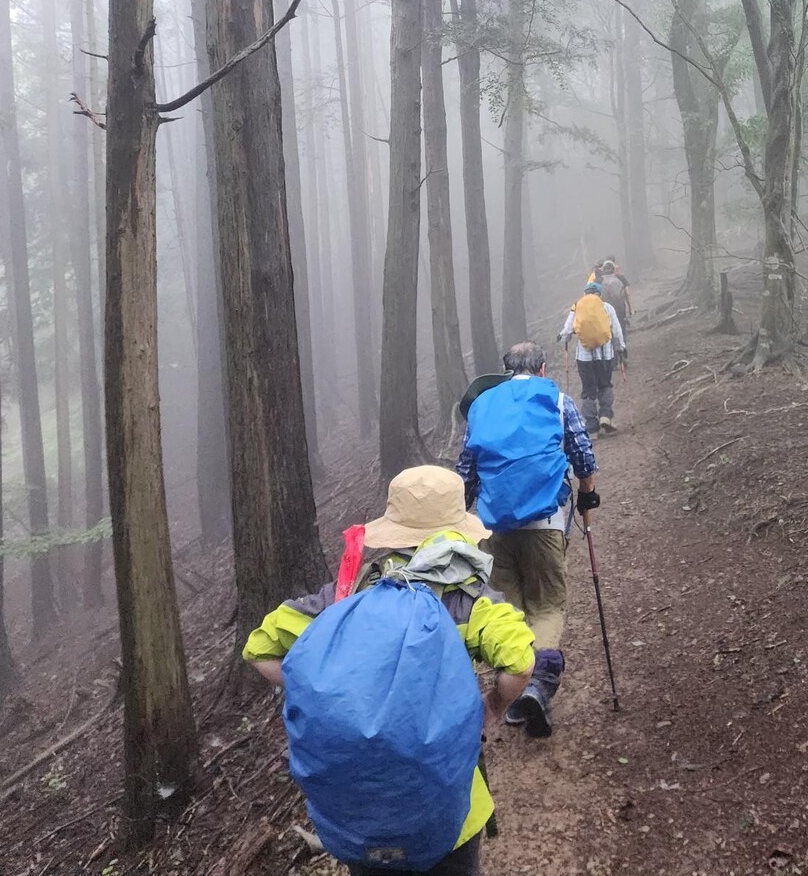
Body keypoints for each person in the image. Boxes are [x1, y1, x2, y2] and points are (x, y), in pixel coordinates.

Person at [243, 466, 535, 876]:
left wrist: (324, 696)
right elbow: (520, 664)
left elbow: (259, 648)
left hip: (361, 814)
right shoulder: (469, 599)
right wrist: (493, 706)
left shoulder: (348, 596)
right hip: (451, 808)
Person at [455, 341, 599, 738]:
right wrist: (587, 494)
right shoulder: (557, 400)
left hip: (495, 525)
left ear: (505, 369)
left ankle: (517, 680)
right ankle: (537, 685)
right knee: (548, 605)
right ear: (542, 367)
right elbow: (583, 456)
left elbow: (466, 471)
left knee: (509, 610)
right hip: (546, 521)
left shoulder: (482, 406)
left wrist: (463, 522)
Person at [560, 281, 626, 434]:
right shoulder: (607, 307)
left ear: (585, 293)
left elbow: (567, 331)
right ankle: (605, 417)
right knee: (605, 385)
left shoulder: (577, 306)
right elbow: (616, 329)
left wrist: (564, 339)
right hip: (605, 355)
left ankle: (591, 426)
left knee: (588, 390)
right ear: (600, 294)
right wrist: (620, 347)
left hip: (584, 358)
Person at [598, 259, 633, 336]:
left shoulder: (599, 280)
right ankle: (623, 344)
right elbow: (627, 293)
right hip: (620, 308)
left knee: (610, 328)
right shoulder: (620, 277)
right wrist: (630, 308)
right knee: (621, 326)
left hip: (607, 310)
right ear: (613, 269)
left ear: (603, 270)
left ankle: (612, 346)